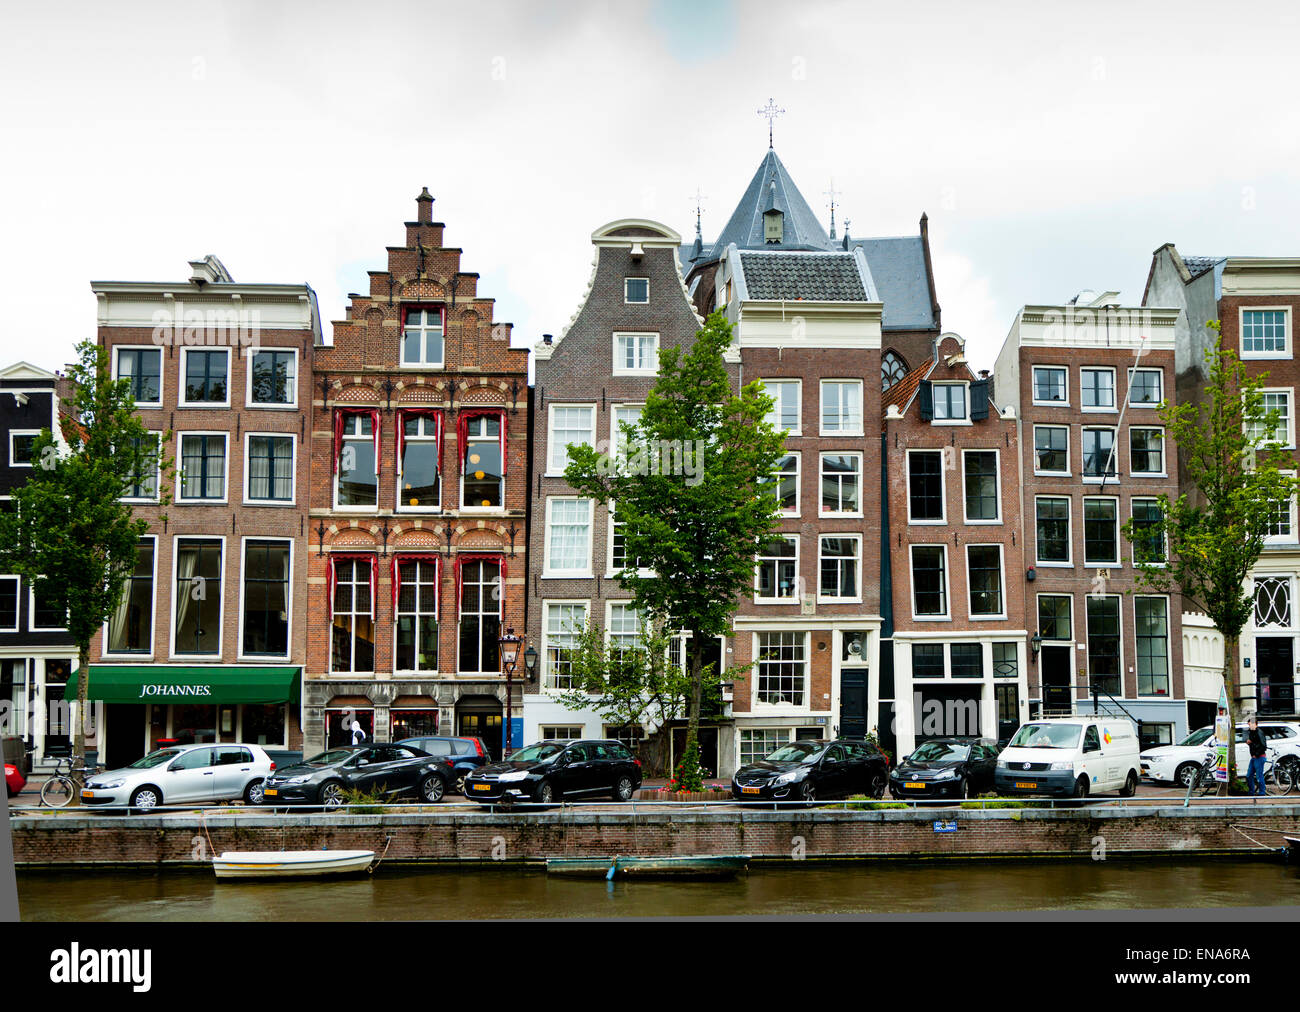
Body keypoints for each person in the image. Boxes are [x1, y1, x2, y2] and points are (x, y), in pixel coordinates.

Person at [1246, 717, 1268, 797]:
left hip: (1259, 756)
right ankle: (1251, 792)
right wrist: (1249, 742)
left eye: (1251, 724)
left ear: (1255, 724)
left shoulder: (1259, 732)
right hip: (1254, 757)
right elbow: (1254, 742)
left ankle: (1262, 792)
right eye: (1249, 725)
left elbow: (1263, 745)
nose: (1250, 726)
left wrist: (1256, 754)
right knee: (1249, 775)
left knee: (1259, 776)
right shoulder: (1251, 732)